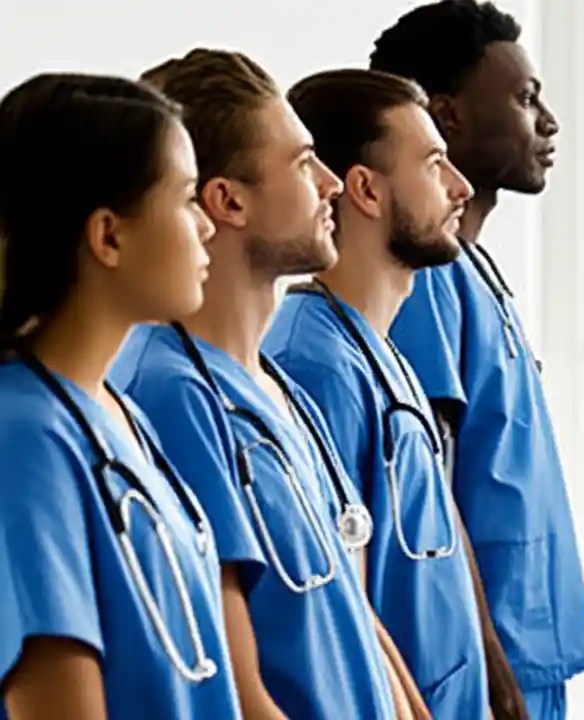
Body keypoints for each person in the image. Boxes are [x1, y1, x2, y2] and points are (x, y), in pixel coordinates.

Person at [107, 49, 427, 720]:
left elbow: (352, 607)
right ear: (228, 201)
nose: (333, 184)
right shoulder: (172, 394)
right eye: (305, 164)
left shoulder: (282, 391)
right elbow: (238, 686)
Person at [371, 3, 584, 719]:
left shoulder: (474, 273)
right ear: (448, 116)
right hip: (481, 662)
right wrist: (494, 670)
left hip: (527, 649)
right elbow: (431, 491)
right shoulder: (424, 285)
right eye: (526, 99)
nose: (549, 122)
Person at [0, 72, 241, 719]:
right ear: (108, 236)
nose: (207, 227)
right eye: (187, 199)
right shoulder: (23, 439)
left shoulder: (119, 415)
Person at [265, 68, 490, 719]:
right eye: (434, 164)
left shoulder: (383, 356)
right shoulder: (312, 365)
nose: (461, 187)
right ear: (365, 188)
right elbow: (342, 606)